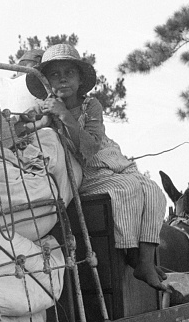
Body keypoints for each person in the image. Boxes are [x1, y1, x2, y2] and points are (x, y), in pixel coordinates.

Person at [26, 43, 172, 293]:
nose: (62, 80)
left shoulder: (90, 106)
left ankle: (145, 261)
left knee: (152, 190)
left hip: (108, 159)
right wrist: (37, 120)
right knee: (127, 188)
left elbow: (92, 146)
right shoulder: (45, 108)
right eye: (54, 74)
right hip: (87, 173)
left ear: (80, 79)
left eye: (69, 73)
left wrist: (65, 115)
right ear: (46, 82)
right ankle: (130, 254)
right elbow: (29, 125)